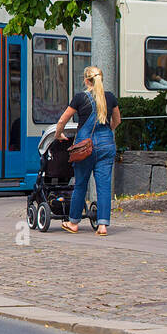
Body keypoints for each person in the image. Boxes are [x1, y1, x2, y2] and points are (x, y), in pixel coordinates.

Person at [54, 65, 121, 236]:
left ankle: (73, 223)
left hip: (85, 147)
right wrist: (106, 134)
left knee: (81, 184)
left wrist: (59, 134)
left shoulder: (80, 98)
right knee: (104, 186)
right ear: (101, 79)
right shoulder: (110, 98)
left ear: (86, 80)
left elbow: (63, 119)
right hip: (107, 146)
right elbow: (117, 121)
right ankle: (103, 226)